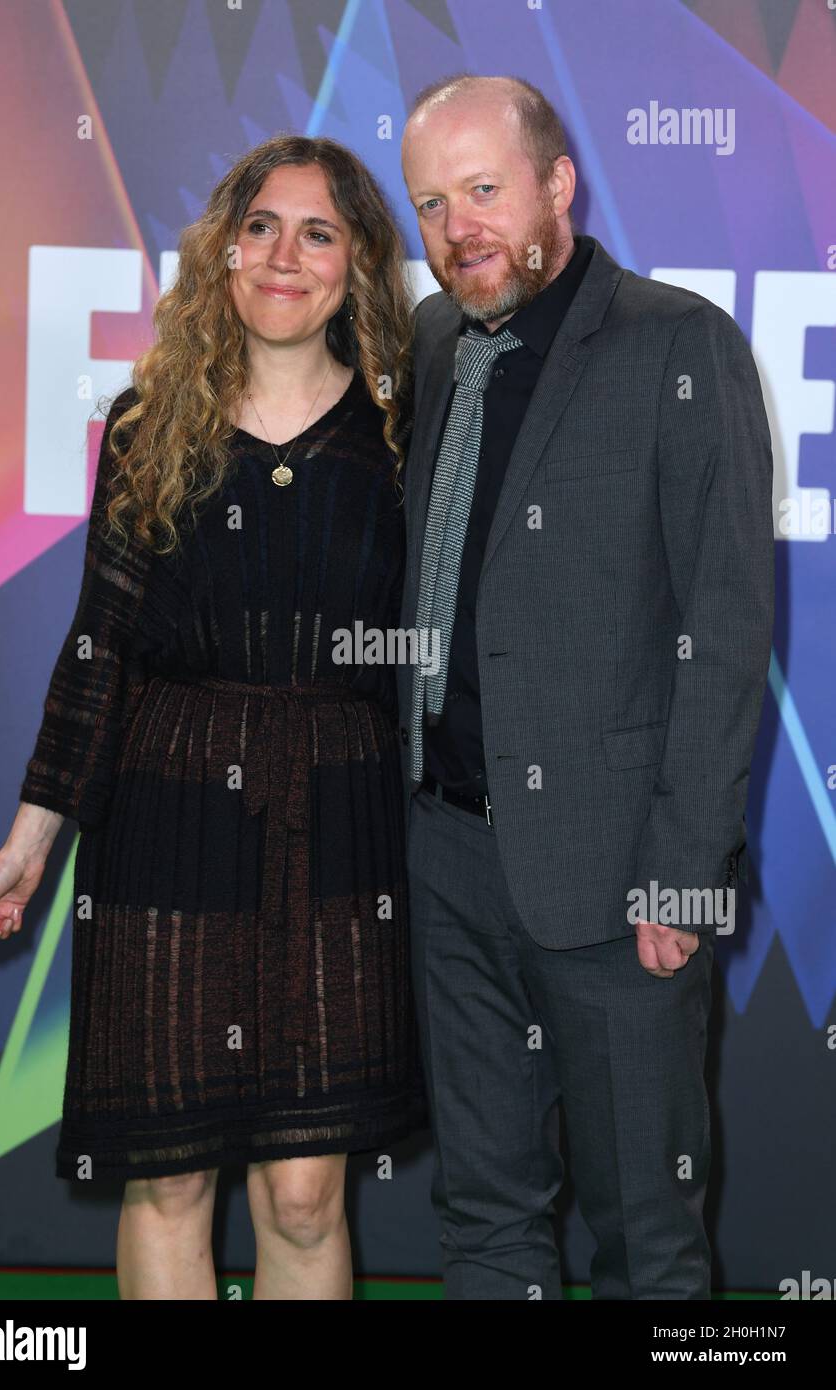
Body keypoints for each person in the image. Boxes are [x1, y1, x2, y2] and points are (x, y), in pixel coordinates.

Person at [0, 134, 425, 1301]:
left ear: (357, 263)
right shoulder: (144, 425)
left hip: (336, 827)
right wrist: (28, 845)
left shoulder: (406, 436)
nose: (283, 254)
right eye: (260, 225)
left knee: (306, 1191)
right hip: (167, 820)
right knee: (167, 1180)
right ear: (222, 249)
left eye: (318, 232)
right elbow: (95, 650)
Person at [398, 73, 774, 1299]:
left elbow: (724, 627)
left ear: (558, 185)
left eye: (486, 191)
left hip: (623, 881)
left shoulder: (679, 345)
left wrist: (684, 865)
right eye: (432, 203)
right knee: (484, 1219)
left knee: (645, 1241)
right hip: (449, 862)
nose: (461, 228)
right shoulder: (432, 343)